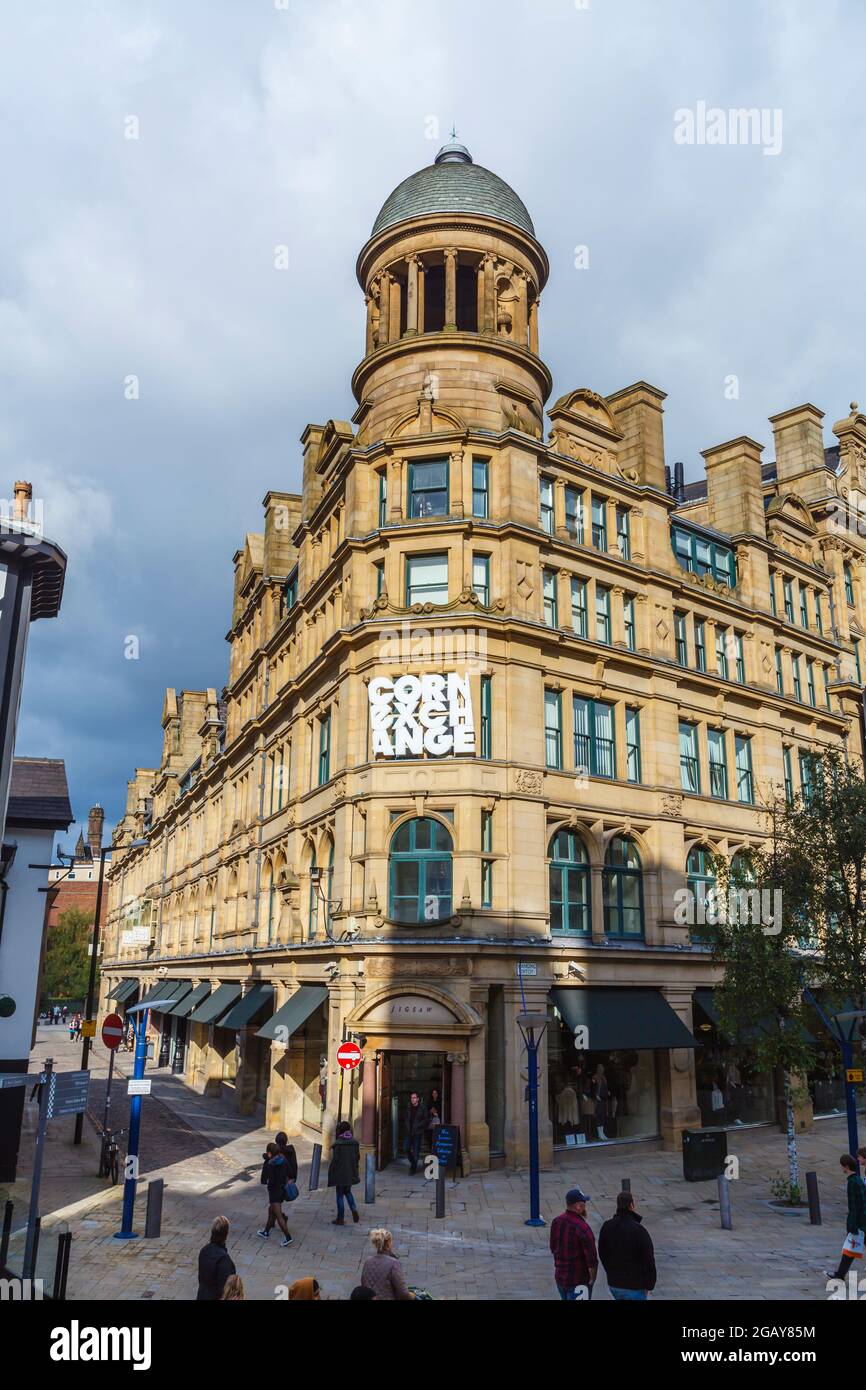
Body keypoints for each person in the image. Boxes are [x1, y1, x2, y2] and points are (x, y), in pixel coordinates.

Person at [598, 1191, 657, 1300]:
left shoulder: (607, 1227)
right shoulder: (639, 1230)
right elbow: (648, 1259)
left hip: (615, 1284)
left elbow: (602, 1253)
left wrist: (611, 1273)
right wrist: (650, 1284)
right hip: (635, 1286)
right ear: (631, 1205)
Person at [549, 1187, 597, 1300]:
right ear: (578, 1206)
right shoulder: (583, 1228)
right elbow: (591, 1259)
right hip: (578, 1281)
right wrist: (592, 1279)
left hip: (561, 1277)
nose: (585, 1206)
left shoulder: (557, 1221)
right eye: (584, 1203)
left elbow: (553, 1247)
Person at [829, 1153, 866, 1281]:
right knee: (849, 1249)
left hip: (858, 1222)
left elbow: (854, 1205)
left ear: (846, 1166)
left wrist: (853, 1225)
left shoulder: (852, 1182)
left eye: (842, 1166)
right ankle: (840, 1274)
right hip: (862, 1221)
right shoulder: (858, 1180)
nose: (842, 1169)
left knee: (849, 1248)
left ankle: (839, 1275)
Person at [257, 1140, 295, 1246]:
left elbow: (271, 1180)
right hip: (282, 1189)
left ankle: (288, 1237)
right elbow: (291, 1173)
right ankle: (266, 1232)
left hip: (275, 1192)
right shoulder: (284, 1160)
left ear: (270, 1153)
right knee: (271, 1211)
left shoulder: (271, 1164)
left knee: (278, 1216)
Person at [361, 1228, 416, 1300]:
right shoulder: (394, 1263)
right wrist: (413, 1296)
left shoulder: (368, 1261)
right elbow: (403, 1293)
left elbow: (363, 1284)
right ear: (389, 1243)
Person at [328, 1120, 361, 1226]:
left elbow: (335, 1161)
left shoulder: (338, 1144)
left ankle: (340, 1218)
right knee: (348, 1192)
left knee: (339, 1195)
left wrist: (332, 1173)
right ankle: (354, 1209)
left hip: (340, 1175)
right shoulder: (355, 1143)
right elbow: (357, 1158)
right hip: (350, 1173)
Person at [197, 1216, 236, 1301]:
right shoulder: (223, 1258)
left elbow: (201, 1277)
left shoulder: (204, 1250)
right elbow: (224, 1288)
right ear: (226, 1233)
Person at [406, 1091, 428, 1175]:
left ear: (418, 1099)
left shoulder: (423, 1107)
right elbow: (406, 1118)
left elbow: (426, 1119)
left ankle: (413, 1168)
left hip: (417, 1132)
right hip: (408, 1132)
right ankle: (413, 1163)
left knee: (416, 1151)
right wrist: (407, 1125)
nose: (412, 1099)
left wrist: (419, 1125)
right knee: (405, 1148)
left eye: (414, 1098)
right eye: (411, 1098)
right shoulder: (408, 1107)